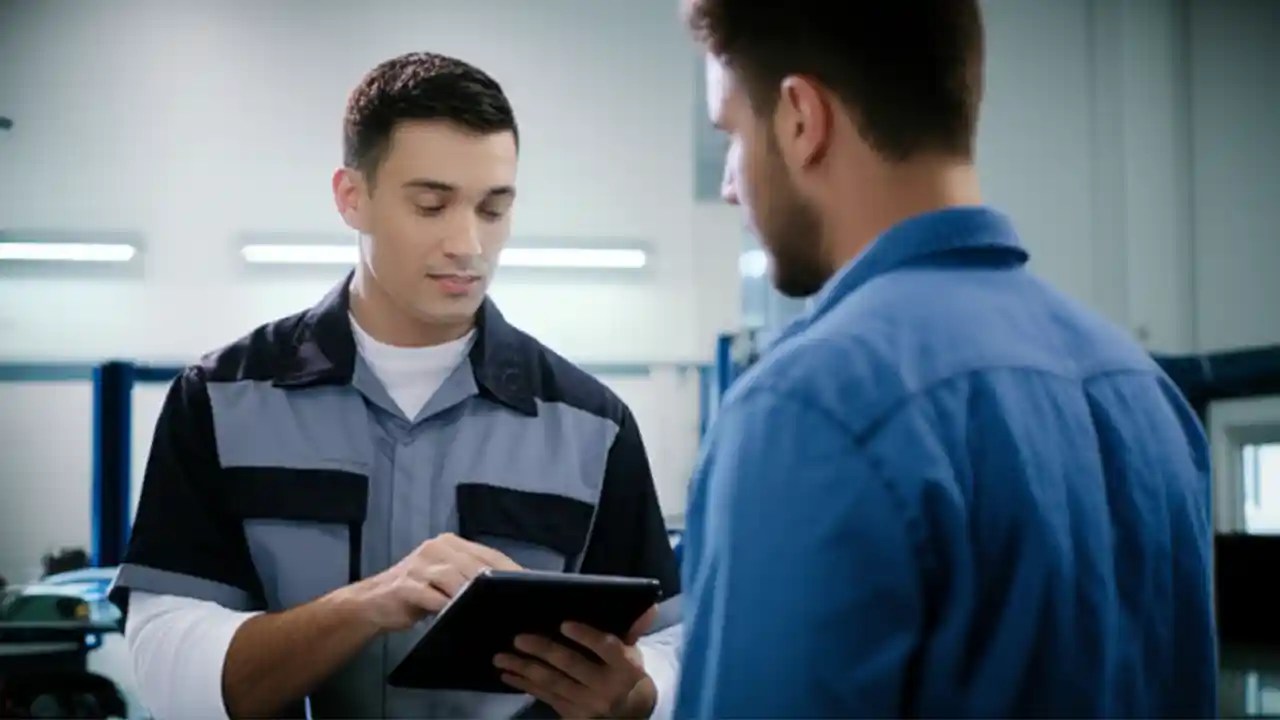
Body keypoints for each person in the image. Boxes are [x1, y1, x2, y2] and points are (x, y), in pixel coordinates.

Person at [677, 2, 1217, 717]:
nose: (729, 182)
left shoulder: (809, 407)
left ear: (802, 118)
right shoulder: (1144, 391)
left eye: (732, 135)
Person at [110, 52, 681, 720]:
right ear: (352, 197)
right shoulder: (218, 402)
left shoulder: (593, 426)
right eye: (432, 205)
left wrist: (641, 695)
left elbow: (669, 641)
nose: (468, 244)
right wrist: (367, 605)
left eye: (493, 209)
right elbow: (164, 657)